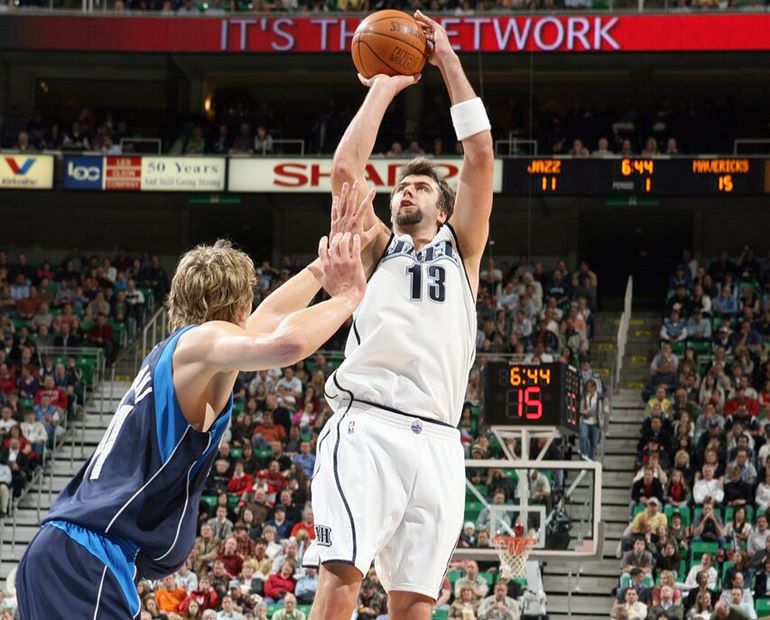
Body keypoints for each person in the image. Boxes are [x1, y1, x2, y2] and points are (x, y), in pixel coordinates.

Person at [16, 223, 370, 618]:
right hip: (88, 562)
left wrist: (323, 267)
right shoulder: (202, 341)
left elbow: (269, 319)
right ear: (239, 305)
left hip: (69, 555)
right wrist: (349, 296)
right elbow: (287, 343)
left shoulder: (188, 354)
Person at [302, 10, 494, 620]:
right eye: (401, 188)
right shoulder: (377, 248)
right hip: (369, 426)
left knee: (414, 604)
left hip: (439, 439)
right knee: (342, 580)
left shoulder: (463, 251)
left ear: (444, 209)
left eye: (421, 188)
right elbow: (344, 172)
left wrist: (448, 62)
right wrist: (385, 86)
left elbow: (480, 154)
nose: (406, 191)